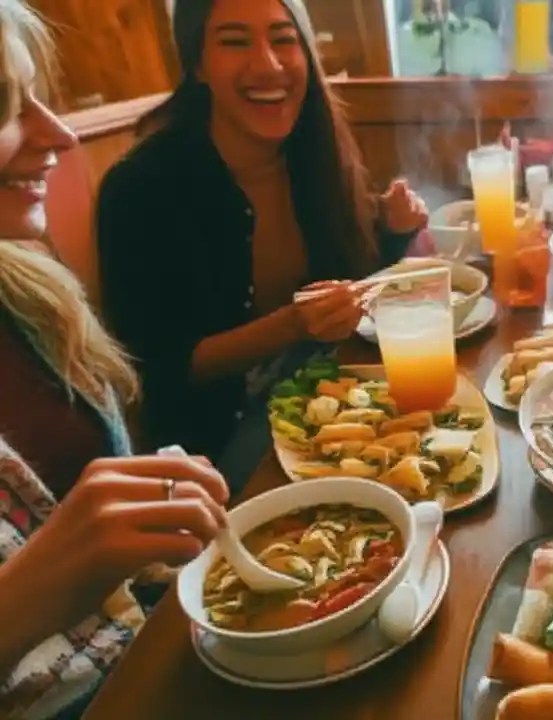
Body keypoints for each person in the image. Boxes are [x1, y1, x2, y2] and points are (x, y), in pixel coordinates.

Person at [0, 2, 230, 716]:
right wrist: (25, 598)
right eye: (5, 106)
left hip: (155, 652)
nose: (59, 134)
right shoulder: (144, 182)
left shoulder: (31, 293)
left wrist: (144, 520)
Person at [97, 0, 429, 478]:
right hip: (216, 453)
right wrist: (292, 324)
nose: (268, 64)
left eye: (283, 38)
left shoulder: (314, 148)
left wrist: (393, 234)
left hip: (330, 396)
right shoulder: (140, 187)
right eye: (234, 42)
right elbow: (156, 371)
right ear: (197, 64)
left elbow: (347, 279)